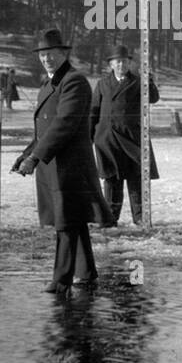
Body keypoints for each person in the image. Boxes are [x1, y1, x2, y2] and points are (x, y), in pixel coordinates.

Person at [12, 29, 114, 293]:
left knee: (66, 221)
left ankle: (61, 280)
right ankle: (86, 273)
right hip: (53, 164)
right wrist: (26, 153)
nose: (47, 60)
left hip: (70, 166)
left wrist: (35, 157)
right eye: (43, 55)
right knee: (74, 219)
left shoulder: (75, 81)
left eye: (52, 55)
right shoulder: (47, 85)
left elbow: (63, 125)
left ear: (63, 54)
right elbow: (44, 131)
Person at [91, 44, 159, 226]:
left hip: (132, 139)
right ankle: (110, 219)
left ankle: (141, 219)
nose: (121, 65)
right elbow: (94, 111)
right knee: (112, 180)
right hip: (108, 139)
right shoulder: (102, 84)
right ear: (111, 65)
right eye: (118, 62)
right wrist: (90, 136)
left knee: (136, 179)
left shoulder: (138, 82)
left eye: (125, 61)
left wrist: (149, 81)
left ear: (130, 63)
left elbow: (152, 98)